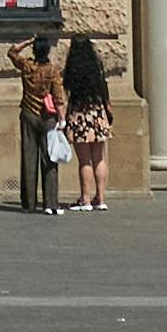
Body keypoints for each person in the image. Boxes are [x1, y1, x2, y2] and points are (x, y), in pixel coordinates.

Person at [10, 36, 66, 217]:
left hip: (28, 114)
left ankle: (29, 202)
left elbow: (12, 52)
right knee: (49, 159)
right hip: (48, 117)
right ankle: (50, 203)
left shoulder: (27, 66)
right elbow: (58, 97)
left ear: (34, 50)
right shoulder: (53, 70)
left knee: (29, 157)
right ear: (48, 50)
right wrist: (62, 119)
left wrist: (27, 41)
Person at [60, 34, 114, 213]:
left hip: (79, 114)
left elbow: (67, 92)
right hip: (97, 113)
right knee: (99, 158)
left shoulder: (72, 69)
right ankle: (101, 198)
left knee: (84, 160)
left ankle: (85, 198)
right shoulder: (97, 67)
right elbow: (104, 90)